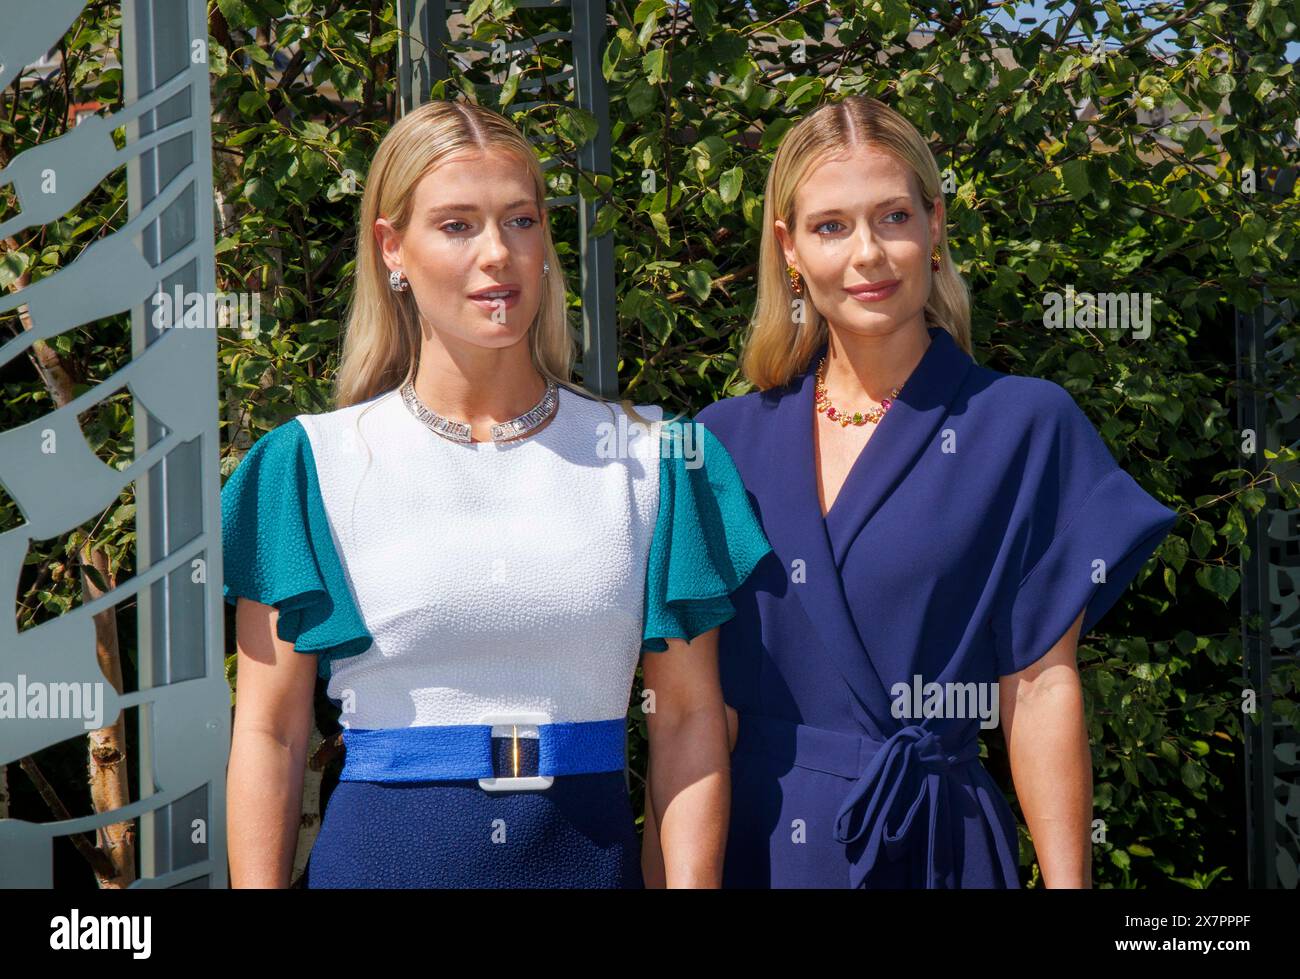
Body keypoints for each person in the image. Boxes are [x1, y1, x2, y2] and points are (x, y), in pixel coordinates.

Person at [222, 99, 771, 888]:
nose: (498, 255)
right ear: (392, 249)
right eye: (457, 225)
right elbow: (269, 733)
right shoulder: (309, 464)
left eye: (520, 220)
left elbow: (688, 721)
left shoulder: (657, 459)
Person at [642, 95, 1178, 888]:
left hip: (941, 849)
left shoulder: (1024, 426)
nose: (868, 254)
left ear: (934, 226)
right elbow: (695, 717)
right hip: (762, 847)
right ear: (788, 248)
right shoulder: (716, 444)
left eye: (892, 217)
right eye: (831, 226)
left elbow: (1038, 688)